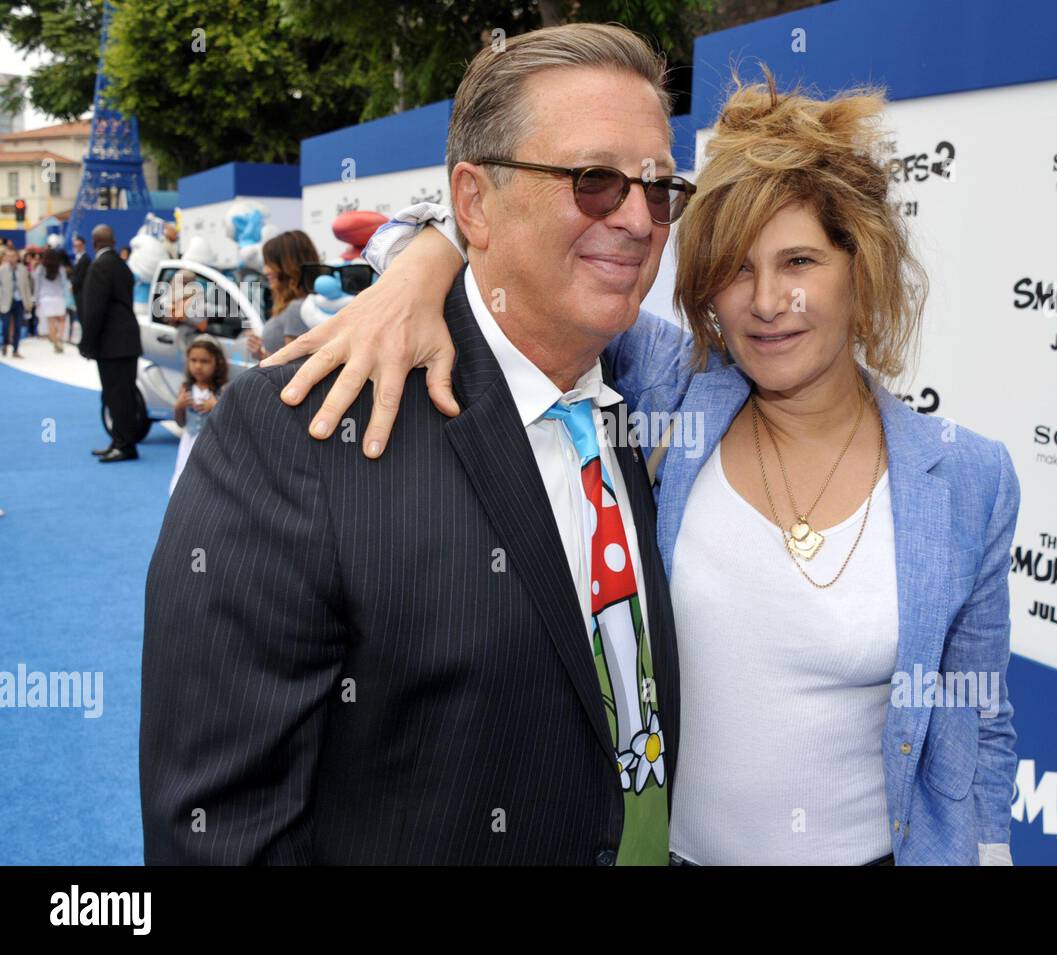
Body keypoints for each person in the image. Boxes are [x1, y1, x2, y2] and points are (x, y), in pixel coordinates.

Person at [268, 69, 1022, 864]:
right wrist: (420, 267)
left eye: (799, 262)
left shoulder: (968, 478)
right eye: (735, 268)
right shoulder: (672, 391)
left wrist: (990, 853)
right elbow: (512, 246)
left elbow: (981, 717)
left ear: (858, 268)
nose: (766, 302)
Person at [141, 23, 682, 865]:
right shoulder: (297, 433)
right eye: (595, 181)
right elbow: (219, 830)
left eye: (658, 188)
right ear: (474, 202)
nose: (638, 219)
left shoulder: (650, 399)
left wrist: (428, 255)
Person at [80, 224, 143, 462]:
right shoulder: (121, 265)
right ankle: (120, 441)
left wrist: (87, 344)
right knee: (122, 394)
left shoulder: (99, 266)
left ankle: (124, 445)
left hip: (112, 344)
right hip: (126, 340)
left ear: (94, 242)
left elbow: (94, 310)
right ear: (113, 241)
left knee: (116, 395)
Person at [244, 230, 318, 360]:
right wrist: (261, 355)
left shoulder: (297, 308)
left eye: (269, 264)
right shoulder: (294, 304)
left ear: (287, 266)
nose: (265, 271)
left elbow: (291, 369)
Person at [168, 337, 226, 495]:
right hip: (189, 440)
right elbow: (181, 423)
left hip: (211, 443)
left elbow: (228, 425)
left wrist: (216, 407)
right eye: (193, 360)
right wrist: (178, 406)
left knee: (208, 476)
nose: (198, 366)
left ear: (217, 362)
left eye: (204, 361)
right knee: (184, 471)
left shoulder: (222, 391)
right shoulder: (186, 388)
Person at [34, 247, 70, 354]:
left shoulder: (40, 268)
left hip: (46, 298)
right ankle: (59, 338)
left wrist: (36, 300)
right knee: (60, 320)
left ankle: (55, 342)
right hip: (59, 298)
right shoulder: (61, 268)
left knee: (51, 322)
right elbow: (64, 284)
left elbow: (37, 285)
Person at [0, 248, 32, 358]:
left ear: (17, 257)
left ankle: (15, 349)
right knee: (5, 325)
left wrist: (28, 303)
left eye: (13, 256)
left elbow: (27, 287)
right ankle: (5, 344)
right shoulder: (2, 270)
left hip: (19, 302)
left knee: (18, 326)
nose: (11, 258)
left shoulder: (23, 270)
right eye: (8, 256)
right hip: (5, 302)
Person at [69, 234, 90, 344]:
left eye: (79, 245)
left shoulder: (85, 258)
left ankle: (86, 340)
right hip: (78, 292)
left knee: (83, 316)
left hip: (82, 292)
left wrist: (73, 285)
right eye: (75, 245)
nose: (77, 247)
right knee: (80, 316)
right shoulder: (78, 258)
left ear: (83, 245)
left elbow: (81, 276)